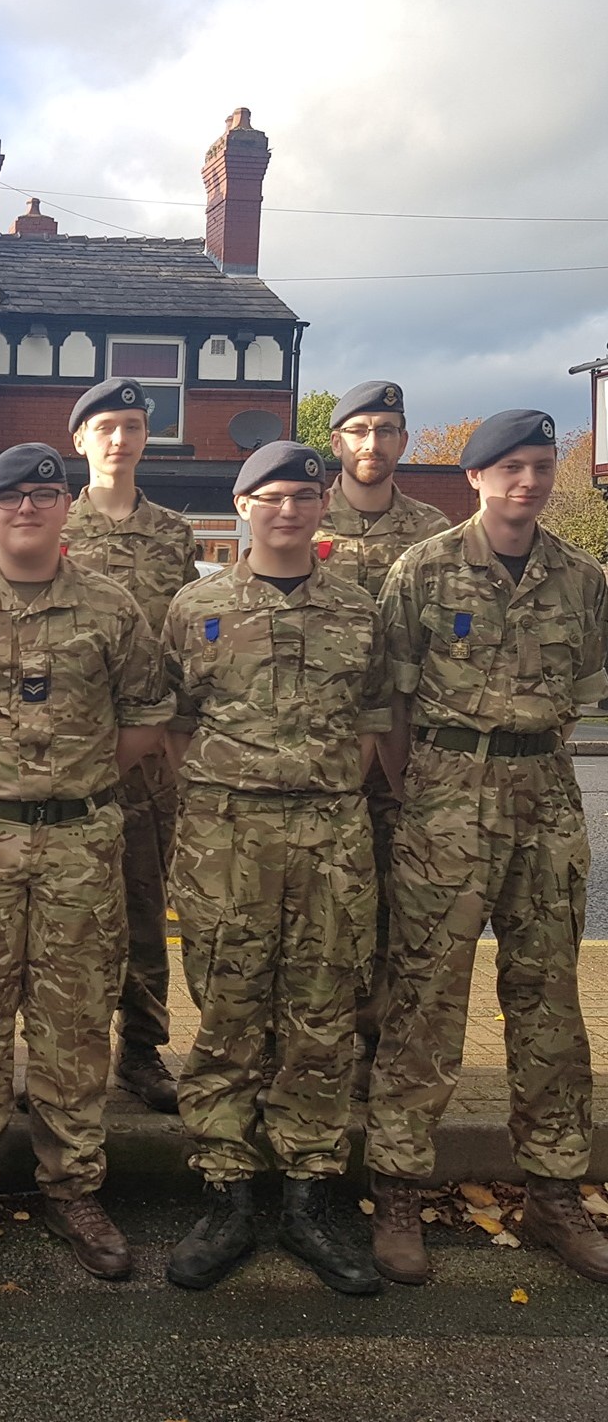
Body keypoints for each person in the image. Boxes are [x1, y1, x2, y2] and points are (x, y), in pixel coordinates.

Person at [0, 442, 171, 1282]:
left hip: (81, 846)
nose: (28, 508)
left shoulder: (111, 607)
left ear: (64, 509)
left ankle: (72, 1188)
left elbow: (143, 722)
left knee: (75, 1021)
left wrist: (70, 790)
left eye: (43, 495)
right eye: (11, 497)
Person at [365, 410, 608, 1286]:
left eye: (542, 466)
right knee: (424, 998)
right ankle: (398, 1186)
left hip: (544, 796)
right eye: (509, 467)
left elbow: (583, 692)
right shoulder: (423, 570)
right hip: (445, 799)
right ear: (473, 478)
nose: (528, 481)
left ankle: (553, 1192)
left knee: (547, 1001)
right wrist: (424, 788)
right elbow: (388, 706)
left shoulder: (582, 577)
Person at [161, 441, 388, 1297]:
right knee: (227, 1007)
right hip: (226, 838)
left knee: (321, 1015)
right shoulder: (195, 606)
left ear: (323, 505)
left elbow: (374, 725)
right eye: (270, 496)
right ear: (241, 502)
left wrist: (318, 790)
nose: (287, 510)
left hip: (330, 836)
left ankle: (308, 1196)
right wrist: (231, 794)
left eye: (302, 495)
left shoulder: (360, 610)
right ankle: (226, 1191)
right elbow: (175, 726)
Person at [64, 377, 199, 1114]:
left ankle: (141, 1050)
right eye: (106, 426)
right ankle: (63, 1047)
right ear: (79, 438)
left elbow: (179, 648)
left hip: (147, 757)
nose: (120, 439)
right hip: (68, 751)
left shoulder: (173, 534)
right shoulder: (55, 524)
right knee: (66, 913)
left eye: (134, 426)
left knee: (146, 905)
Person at [312, 381, 450, 1098]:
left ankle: (378, 1048)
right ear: (336, 440)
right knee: (322, 910)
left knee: (398, 908)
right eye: (359, 429)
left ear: (404, 440)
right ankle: (315, 1049)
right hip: (316, 753)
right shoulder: (302, 514)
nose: (373, 443)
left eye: (388, 429)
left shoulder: (432, 531)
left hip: (402, 756)